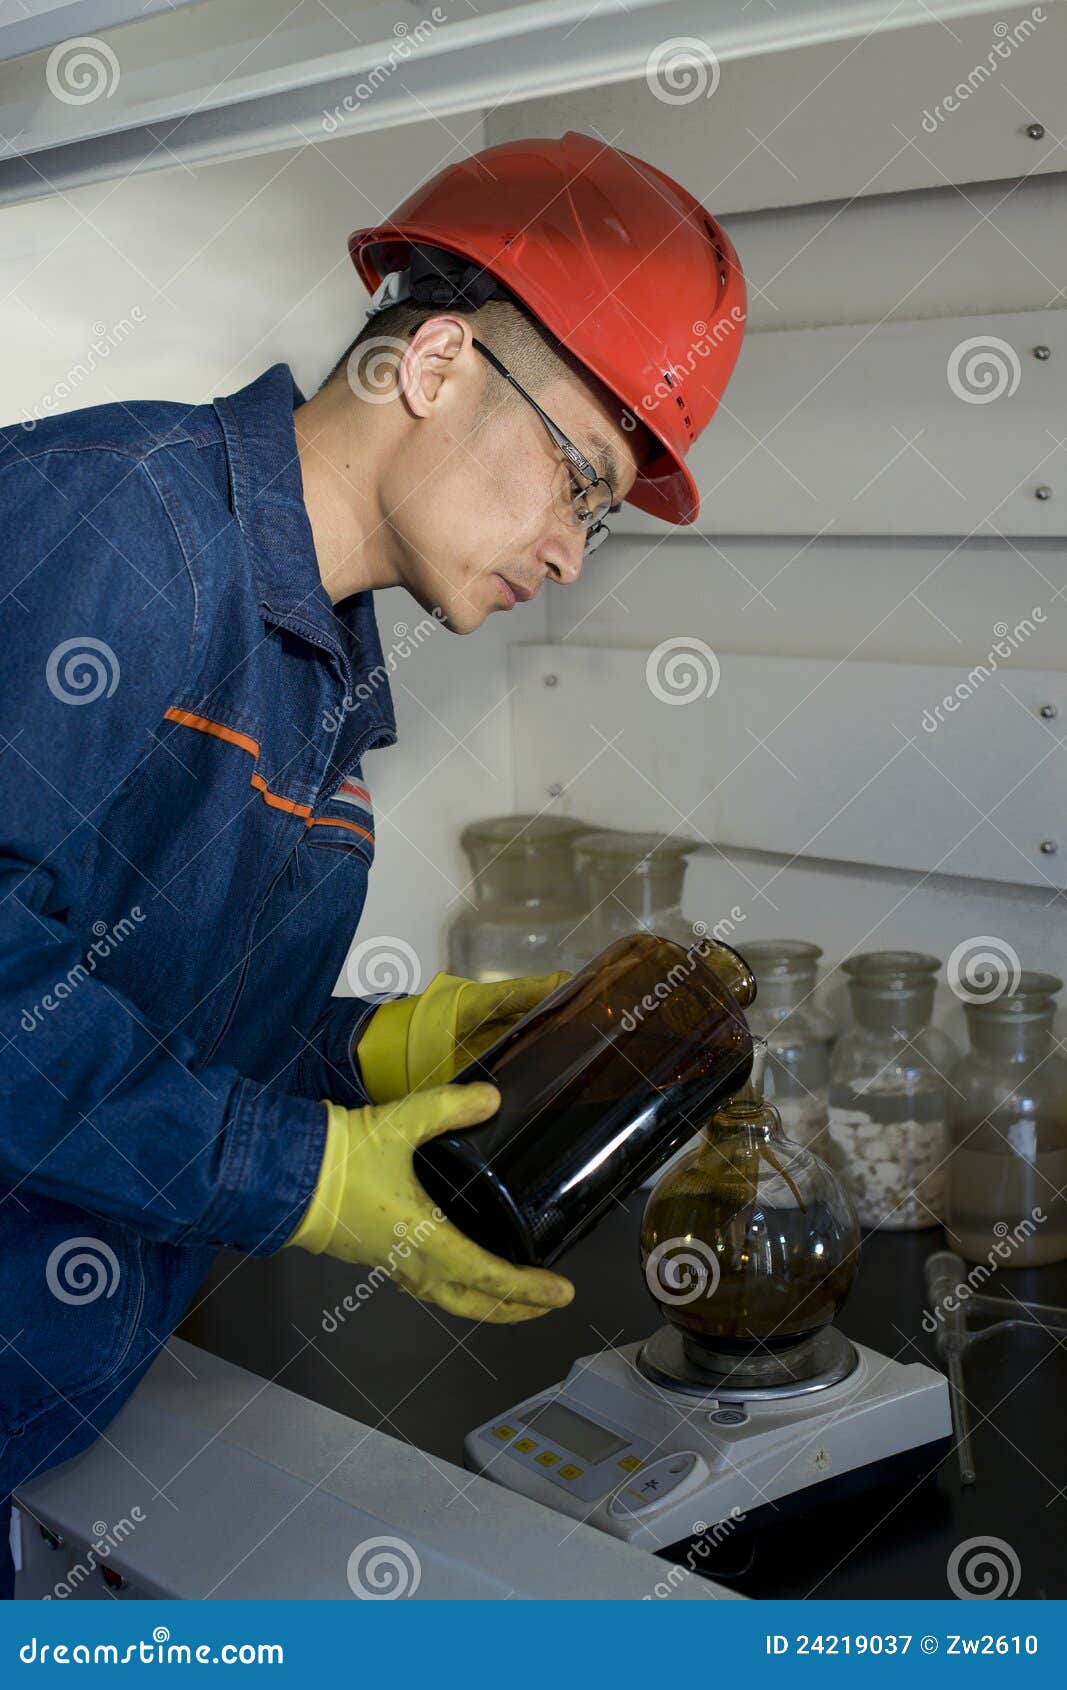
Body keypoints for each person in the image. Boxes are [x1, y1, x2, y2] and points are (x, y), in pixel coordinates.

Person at [0, 130, 745, 1594]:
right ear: (437, 362)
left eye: (595, 513)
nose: (570, 550)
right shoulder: (117, 526)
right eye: (577, 480)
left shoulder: (321, 680)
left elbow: (144, 1030)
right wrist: (313, 1176)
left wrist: (372, 1056)